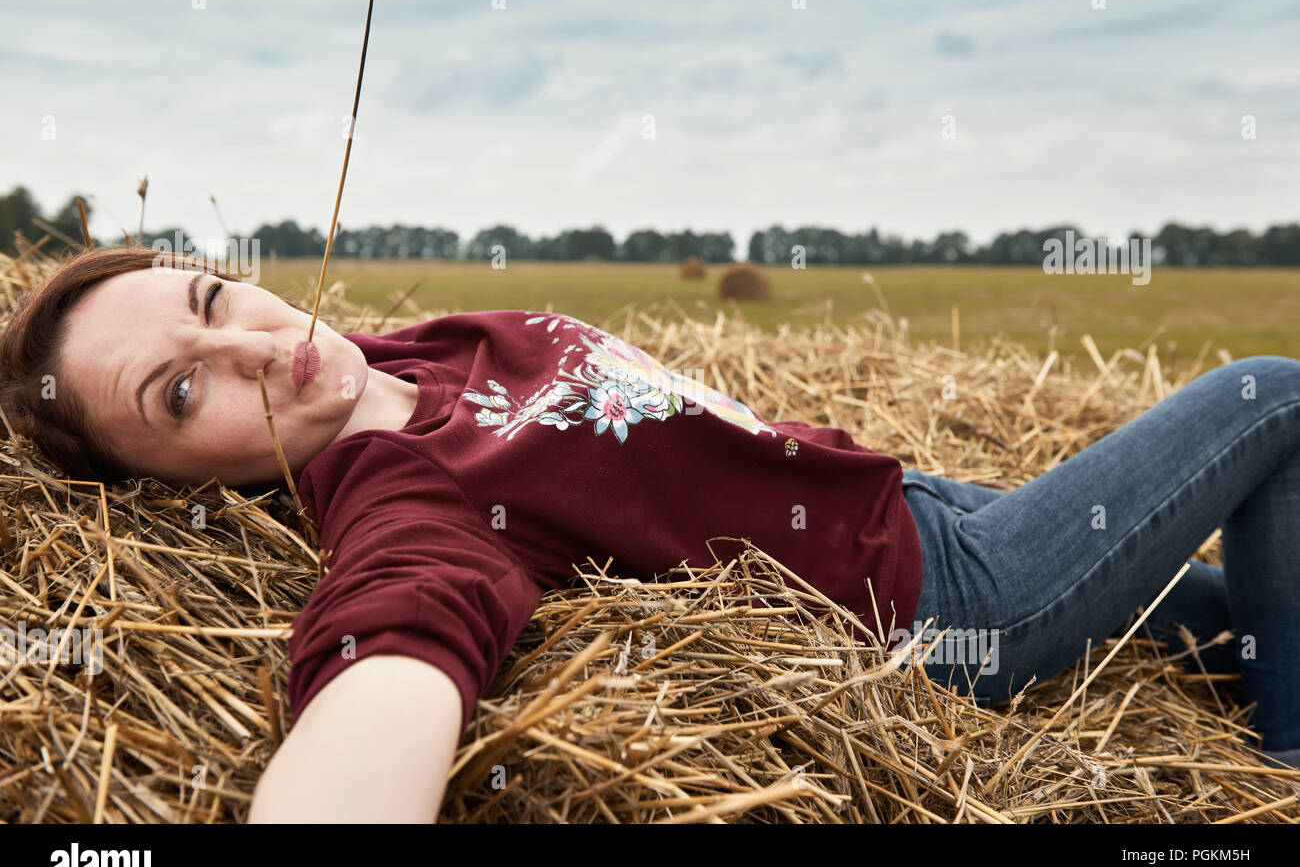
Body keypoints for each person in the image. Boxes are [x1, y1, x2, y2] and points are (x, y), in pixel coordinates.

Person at [1, 247, 1296, 822]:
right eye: (181, 393)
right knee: (1268, 395)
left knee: (1245, 604)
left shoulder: (394, 353)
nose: (252, 345)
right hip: (950, 600)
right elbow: (382, 679)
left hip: (916, 498)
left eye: (213, 297)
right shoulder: (410, 511)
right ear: (181, 492)